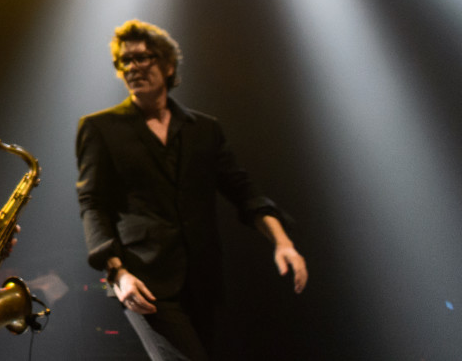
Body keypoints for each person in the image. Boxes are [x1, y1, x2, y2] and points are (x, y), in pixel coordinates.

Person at [75, 20, 308, 361]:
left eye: (143, 57)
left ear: (168, 65)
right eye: (124, 61)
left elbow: (243, 191)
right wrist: (118, 274)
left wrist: (282, 242)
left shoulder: (204, 129)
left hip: (203, 279)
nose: (133, 67)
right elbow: (92, 203)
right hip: (144, 279)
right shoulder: (100, 128)